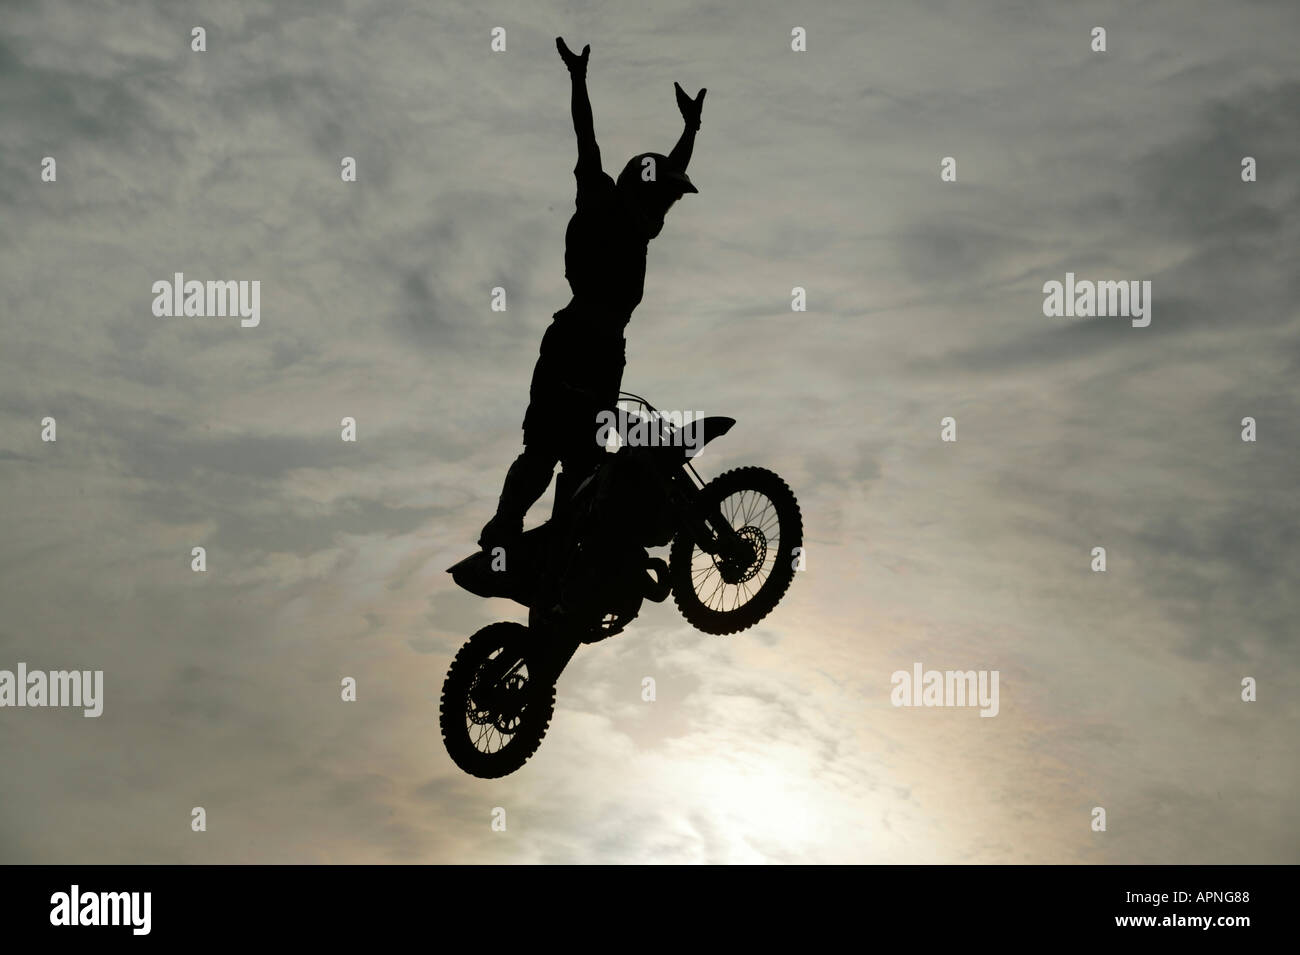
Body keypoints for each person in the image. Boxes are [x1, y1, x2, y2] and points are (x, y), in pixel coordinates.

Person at [478, 37, 706, 550]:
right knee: (545, 447)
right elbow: (587, 136)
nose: (670, 203)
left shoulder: (644, 220)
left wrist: (690, 130)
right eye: (665, 194)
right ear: (645, 188)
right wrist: (578, 80)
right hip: (574, 340)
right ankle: (505, 526)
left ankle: (567, 549)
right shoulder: (602, 197)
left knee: (586, 461)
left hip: (607, 353)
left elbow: (669, 171)